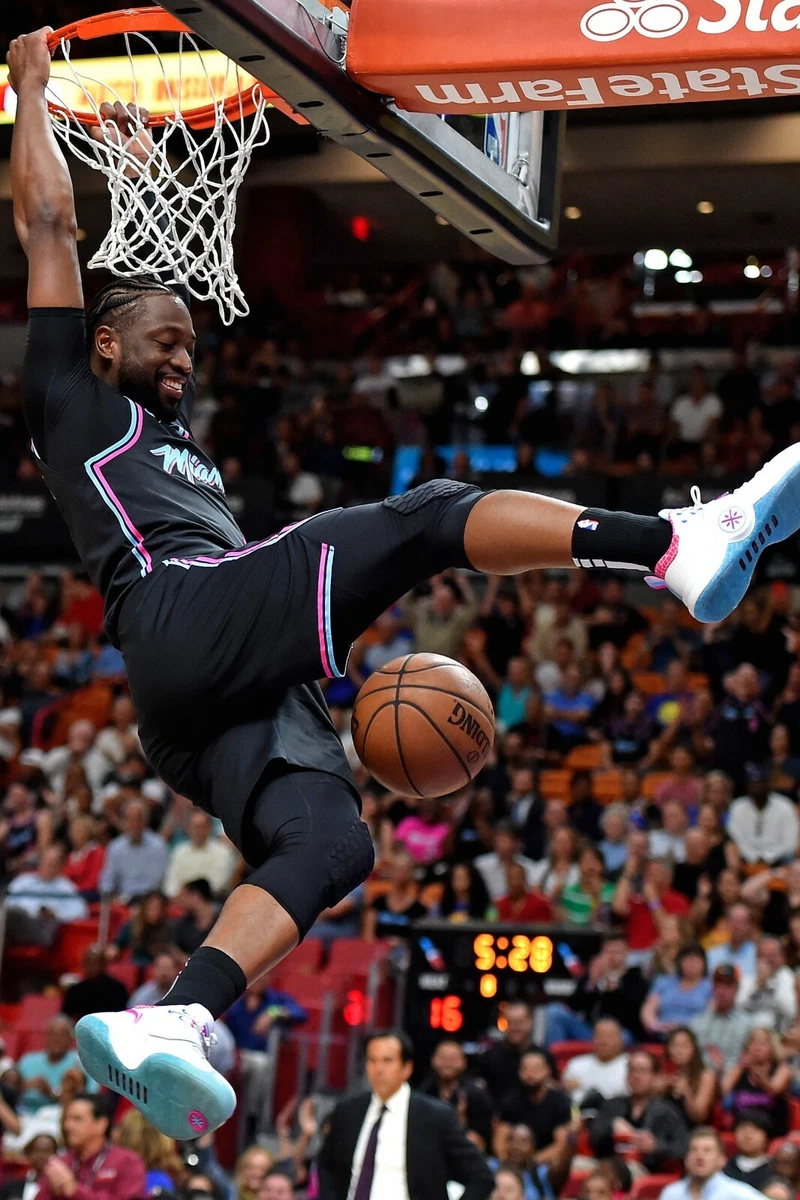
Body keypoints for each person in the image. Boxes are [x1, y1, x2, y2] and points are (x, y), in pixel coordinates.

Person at [13, 25, 800, 1142]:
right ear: (97, 344)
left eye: (193, 341)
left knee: (332, 844)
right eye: (164, 339)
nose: (184, 355)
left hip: (205, 702)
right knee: (428, 513)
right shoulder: (69, 398)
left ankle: (175, 1020)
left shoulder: (181, 440)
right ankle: (675, 542)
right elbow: (49, 221)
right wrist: (33, 84)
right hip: (181, 614)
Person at [317, 1029, 494, 1200]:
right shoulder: (348, 1111)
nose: (378, 1069)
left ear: (407, 1068)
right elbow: (326, 1166)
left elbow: (481, 1177)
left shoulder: (434, 1116)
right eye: (372, 1060)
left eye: (387, 1061)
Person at [589, 1050, 688, 1173]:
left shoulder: (667, 1111)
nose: (636, 1076)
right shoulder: (613, 1104)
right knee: (577, 1164)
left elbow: (682, 1147)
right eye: (632, 1070)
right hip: (608, 1164)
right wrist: (612, 1129)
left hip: (645, 1171)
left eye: (642, 1071)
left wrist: (655, 1145)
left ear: (655, 1076)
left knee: (631, 1170)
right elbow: (594, 1139)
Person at [34, 1092, 147, 1200]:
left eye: (77, 1119)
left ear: (101, 1124)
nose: (68, 1126)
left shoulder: (127, 1162)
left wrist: (75, 1191)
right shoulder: (61, 1163)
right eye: (67, 1119)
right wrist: (51, 1192)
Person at [543, 931, 648, 1045]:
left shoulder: (635, 977)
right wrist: (591, 983)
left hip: (619, 1032)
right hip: (589, 1032)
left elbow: (635, 1011)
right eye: (608, 951)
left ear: (626, 953)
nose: (612, 956)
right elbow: (574, 1005)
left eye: (617, 952)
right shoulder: (593, 974)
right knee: (554, 1012)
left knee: (625, 1036)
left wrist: (613, 988)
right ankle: (554, 1059)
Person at [496, 1049, 573, 1167]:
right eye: (525, 1069)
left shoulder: (559, 1101)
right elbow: (500, 1139)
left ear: (548, 1071)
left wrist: (532, 1164)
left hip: (544, 1162)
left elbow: (560, 1144)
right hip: (513, 1161)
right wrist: (507, 1166)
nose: (530, 1074)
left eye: (536, 1069)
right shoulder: (511, 1099)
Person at [418, 1039, 494, 1149]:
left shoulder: (476, 1094)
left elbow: (482, 1135)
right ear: (433, 1060)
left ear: (464, 1062)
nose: (447, 1064)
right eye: (443, 1058)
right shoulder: (425, 1091)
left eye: (453, 1059)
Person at [6, 845, 88, 947]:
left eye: (52, 863)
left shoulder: (67, 889)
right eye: (44, 861)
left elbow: (81, 913)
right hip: (13, 924)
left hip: (41, 930)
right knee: (10, 914)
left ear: (61, 866)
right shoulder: (23, 880)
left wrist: (55, 915)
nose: (46, 866)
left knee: (13, 914)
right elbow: (5, 902)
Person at [722, 1026, 791, 1139]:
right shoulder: (739, 1070)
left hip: (772, 1129)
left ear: (772, 1048)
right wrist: (739, 1067)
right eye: (753, 1044)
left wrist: (761, 1078)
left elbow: (774, 1090)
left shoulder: (782, 1069)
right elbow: (723, 1091)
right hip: (742, 1127)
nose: (757, 1048)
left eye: (762, 1044)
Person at [659, 1127, 766, 1200]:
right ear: (686, 1158)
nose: (699, 1156)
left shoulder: (738, 1194)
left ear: (721, 1160)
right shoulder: (671, 1193)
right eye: (694, 1150)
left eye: (707, 1151)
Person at [99, 797, 169, 903]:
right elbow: (107, 881)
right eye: (131, 819)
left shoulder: (158, 846)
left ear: (145, 821)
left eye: (138, 819)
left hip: (149, 902)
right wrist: (109, 895)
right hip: (123, 900)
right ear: (124, 821)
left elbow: (158, 881)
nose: (135, 824)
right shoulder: (115, 847)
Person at [727, 764, 800, 866]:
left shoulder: (785, 806)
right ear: (747, 785)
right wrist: (754, 858)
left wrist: (767, 858)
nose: (756, 787)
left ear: (768, 784)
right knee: (729, 852)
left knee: (790, 858)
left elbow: (790, 843)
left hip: (779, 859)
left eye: (760, 782)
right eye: (753, 783)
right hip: (745, 858)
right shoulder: (738, 806)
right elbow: (735, 838)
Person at [17, 1018, 91, 1115]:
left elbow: (88, 1101)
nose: (56, 1039)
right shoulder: (27, 1060)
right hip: (21, 1115)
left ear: (70, 1038)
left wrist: (51, 1093)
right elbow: (10, 1092)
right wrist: (23, 1087)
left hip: (61, 1118)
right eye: (51, 1034)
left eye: (62, 1035)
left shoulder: (82, 1064)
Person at [691, 964, 754, 1072]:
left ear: (737, 988)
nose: (722, 991)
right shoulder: (697, 1023)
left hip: (735, 1080)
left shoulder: (748, 1025)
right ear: (712, 988)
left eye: (728, 985)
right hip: (702, 1078)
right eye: (718, 985)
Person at [640, 943, 712, 1038]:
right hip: (662, 1032)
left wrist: (682, 1027)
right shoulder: (664, 982)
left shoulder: (710, 987)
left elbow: (710, 1015)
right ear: (679, 962)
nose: (690, 964)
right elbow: (648, 1009)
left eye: (695, 960)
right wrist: (656, 1026)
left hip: (695, 1035)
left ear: (704, 963)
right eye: (687, 959)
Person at [163, 810, 236, 898]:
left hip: (210, 899)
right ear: (188, 829)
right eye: (195, 827)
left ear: (209, 827)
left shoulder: (223, 851)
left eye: (202, 826)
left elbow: (219, 883)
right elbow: (170, 881)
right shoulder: (179, 851)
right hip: (179, 900)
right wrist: (178, 895)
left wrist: (195, 896)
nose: (198, 831)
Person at [561, 1019, 628, 1108]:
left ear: (621, 1040)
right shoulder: (576, 1065)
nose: (604, 1042)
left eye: (610, 1037)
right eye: (600, 1036)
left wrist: (582, 1086)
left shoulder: (631, 1066)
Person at [475, 1002, 535, 1102]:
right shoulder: (489, 1057)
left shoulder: (543, 1056)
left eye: (520, 1022)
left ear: (530, 1023)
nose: (515, 1028)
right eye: (511, 1022)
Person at [659, 1027, 716, 1127]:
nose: (679, 1051)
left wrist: (687, 1092)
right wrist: (659, 1090)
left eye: (685, 1046)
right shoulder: (663, 1071)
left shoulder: (706, 1076)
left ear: (694, 1049)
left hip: (691, 1129)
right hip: (665, 1128)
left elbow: (699, 1116)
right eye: (674, 1046)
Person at [62, 948, 129, 1023]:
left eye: (96, 963)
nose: (92, 967)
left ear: (104, 964)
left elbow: (123, 1018)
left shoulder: (117, 989)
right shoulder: (75, 991)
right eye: (89, 962)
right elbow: (65, 1017)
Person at [723, 1111, 774, 1191]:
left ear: (767, 1137)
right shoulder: (723, 1167)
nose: (747, 1136)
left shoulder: (774, 1170)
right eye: (742, 1129)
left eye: (755, 1130)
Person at [706, 903, 758, 981]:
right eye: (733, 921)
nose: (737, 926)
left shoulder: (757, 955)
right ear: (726, 923)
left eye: (742, 922)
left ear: (749, 925)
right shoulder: (712, 954)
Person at [0, 1132, 58, 1200]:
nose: (42, 1156)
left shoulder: (61, 1189)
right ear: (28, 1155)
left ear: (57, 1155)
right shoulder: (10, 1187)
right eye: (37, 1150)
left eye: (47, 1151)